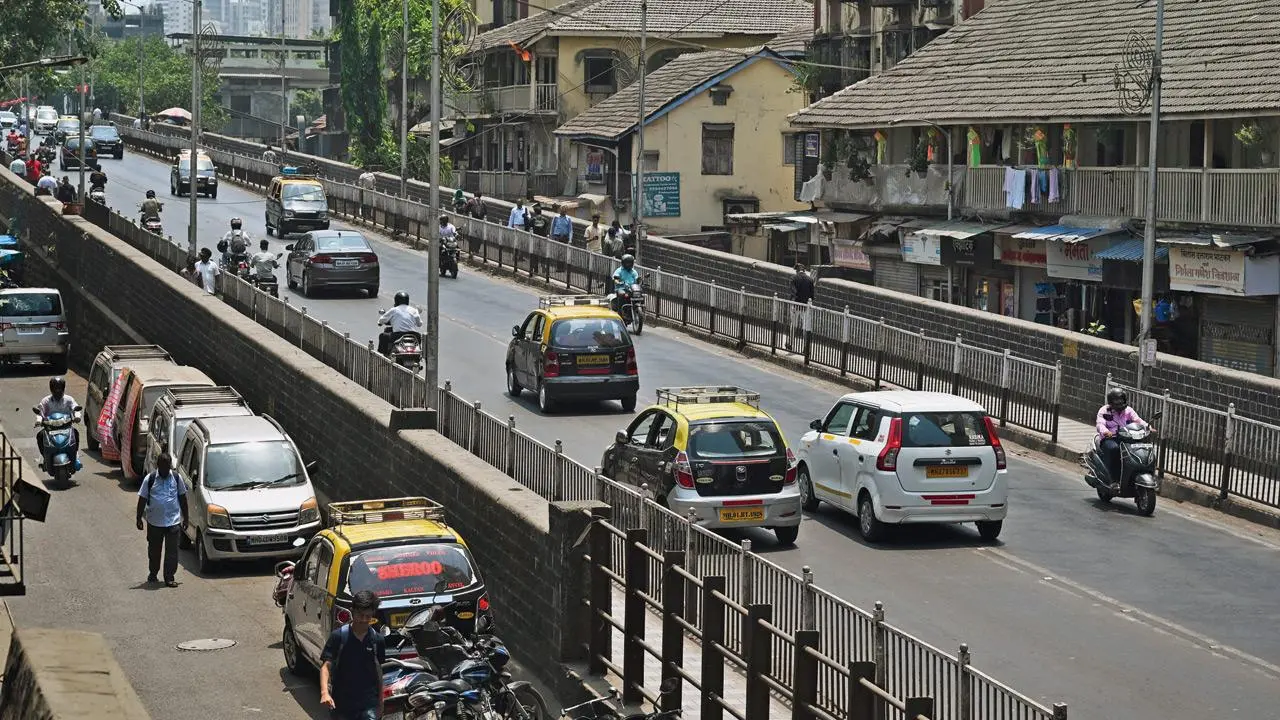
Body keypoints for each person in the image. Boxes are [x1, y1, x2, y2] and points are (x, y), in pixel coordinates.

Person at [319, 590, 386, 719]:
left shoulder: (377, 640)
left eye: (368, 616)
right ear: (352, 611)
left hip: (369, 705)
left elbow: (379, 672)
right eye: (360, 615)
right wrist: (324, 693)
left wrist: (381, 701)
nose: (364, 620)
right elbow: (326, 667)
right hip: (343, 705)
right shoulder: (338, 637)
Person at [136, 452, 188, 587]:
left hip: (173, 522)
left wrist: (186, 518)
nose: (165, 470)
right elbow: (142, 499)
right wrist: (139, 518)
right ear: (158, 465)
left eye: (168, 467)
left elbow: (183, 498)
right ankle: (153, 572)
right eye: (163, 467)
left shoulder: (176, 478)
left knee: (172, 552)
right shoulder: (150, 478)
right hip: (154, 522)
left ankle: (169, 577)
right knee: (154, 550)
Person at [1096, 388, 1147, 490]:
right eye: (1116, 401)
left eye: (1121, 400)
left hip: (1127, 438)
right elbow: (1100, 424)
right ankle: (1113, 480)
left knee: (1139, 450)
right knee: (1114, 449)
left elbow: (1137, 420)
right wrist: (1105, 431)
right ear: (1111, 401)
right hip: (1110, 438)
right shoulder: (1104, 411)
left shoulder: (1128, 410)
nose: (1119, 403)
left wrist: (1148, 427)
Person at [35, 377, 79, 464]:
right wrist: (39, 421)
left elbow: (75, 408)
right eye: (55, 388)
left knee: (76, 433)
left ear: (63, 388)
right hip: (50, 428)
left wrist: (77, 416)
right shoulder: (46, 401)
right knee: (40, 436)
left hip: (66, 426)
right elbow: (40, 412)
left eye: (59, 388)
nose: (58, 391)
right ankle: (44, 457)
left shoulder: (69, 399)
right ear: (51, 388)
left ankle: (75, 455)